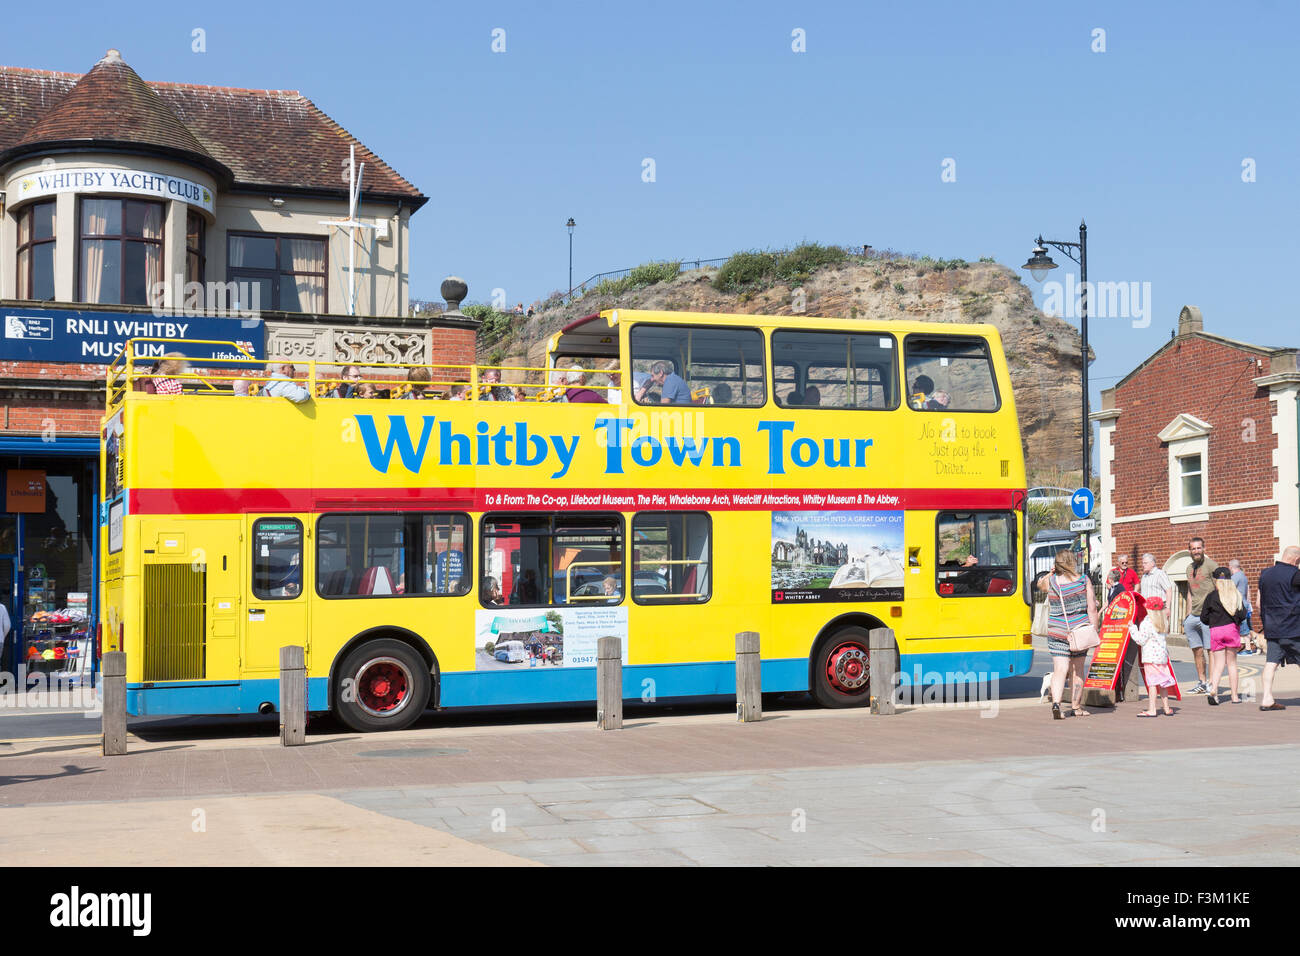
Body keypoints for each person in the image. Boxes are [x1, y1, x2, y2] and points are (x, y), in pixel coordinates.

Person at [1039, 547, 1099, 719]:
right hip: (1078, 630)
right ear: (1072, 561)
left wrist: (1050, 573)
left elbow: (1039, 584)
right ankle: (1076, 706)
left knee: (1060, 669)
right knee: (1077, 669)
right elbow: (1092, 607)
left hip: (1056, 630)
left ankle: (1056, 704)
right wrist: (1094, 629)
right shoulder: (1083, 580)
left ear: (1057, 564)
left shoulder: (1052, 581)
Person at [1258, 545, 1300, 711]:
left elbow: (1258, 603)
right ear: (1296, 559)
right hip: (1294, 629)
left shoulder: (1265, 574)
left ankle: (1267, 699)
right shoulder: (1295, 575)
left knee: (1271, 663)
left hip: (1272, 629)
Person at [1201, 566, 1247, 705]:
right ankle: (1234, 696)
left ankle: (1213, 690)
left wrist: (1213, 621)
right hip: (1231, 629)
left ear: (1216, 580)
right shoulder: (1236, 595)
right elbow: (1243, 614)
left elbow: (1204, 617)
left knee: (1218, 664)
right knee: (1232, 664)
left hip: (1216, 630)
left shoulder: (1211, 596)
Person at [1182, 537, 1219, 694]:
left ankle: (1211, 683)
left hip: (1208, 615)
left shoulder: (1212, 566)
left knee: (1211, 650)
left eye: (1199, 548)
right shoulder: (1189, 568)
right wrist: (1187, 615)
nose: (1196, 551)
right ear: (1189, 551)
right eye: (1193, 548)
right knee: (1196, 650)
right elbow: (1190, 593)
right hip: (1193, 616)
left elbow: (1220, 589)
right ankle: (1202, 682)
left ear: (1204, 548)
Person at [1128, 597, 1176, 717]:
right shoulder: (1163, 622)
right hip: (1162, 657)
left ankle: (1152, 709)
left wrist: (1132, 628)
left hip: (1150, 657)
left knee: (1152, 684)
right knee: (1163, 683)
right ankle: (1166, 707)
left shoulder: (1147, 622)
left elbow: (1140, 640)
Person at [1229, 559, 1258, 654]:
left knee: (1243, 627)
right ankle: (1254, 647)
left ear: (1231, 567)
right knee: (1249, 627)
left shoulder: (1235, 577)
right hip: (1245, 604)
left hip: (1239, 605)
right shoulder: (1243, 576)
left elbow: (1229, 590)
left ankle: (1248, 649)